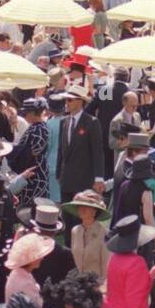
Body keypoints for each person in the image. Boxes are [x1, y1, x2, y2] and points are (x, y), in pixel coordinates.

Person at [56, 85, 105, 215]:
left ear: (80, 101)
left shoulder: (92, 122)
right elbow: (61, 149)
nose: (66, 103)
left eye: (70, 100)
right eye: (66, 100)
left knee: (80, 217)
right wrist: (58, 174)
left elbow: (98, 152)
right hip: (66, 180)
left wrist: (98, 178)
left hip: (83, 180)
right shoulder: (64, 122)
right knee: (67, 218)